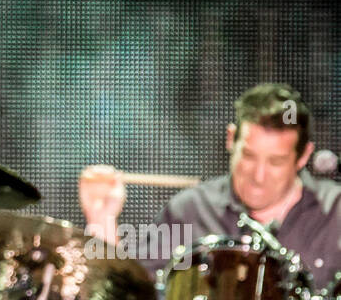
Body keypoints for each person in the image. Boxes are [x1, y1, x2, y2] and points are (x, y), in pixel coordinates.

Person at [80, 83, 341, 287]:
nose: (259, 176)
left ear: (304, 156)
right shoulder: (191, 210)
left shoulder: (335, 213)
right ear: (230, 139)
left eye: (276, 162)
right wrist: (102, 219)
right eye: (249, 156)